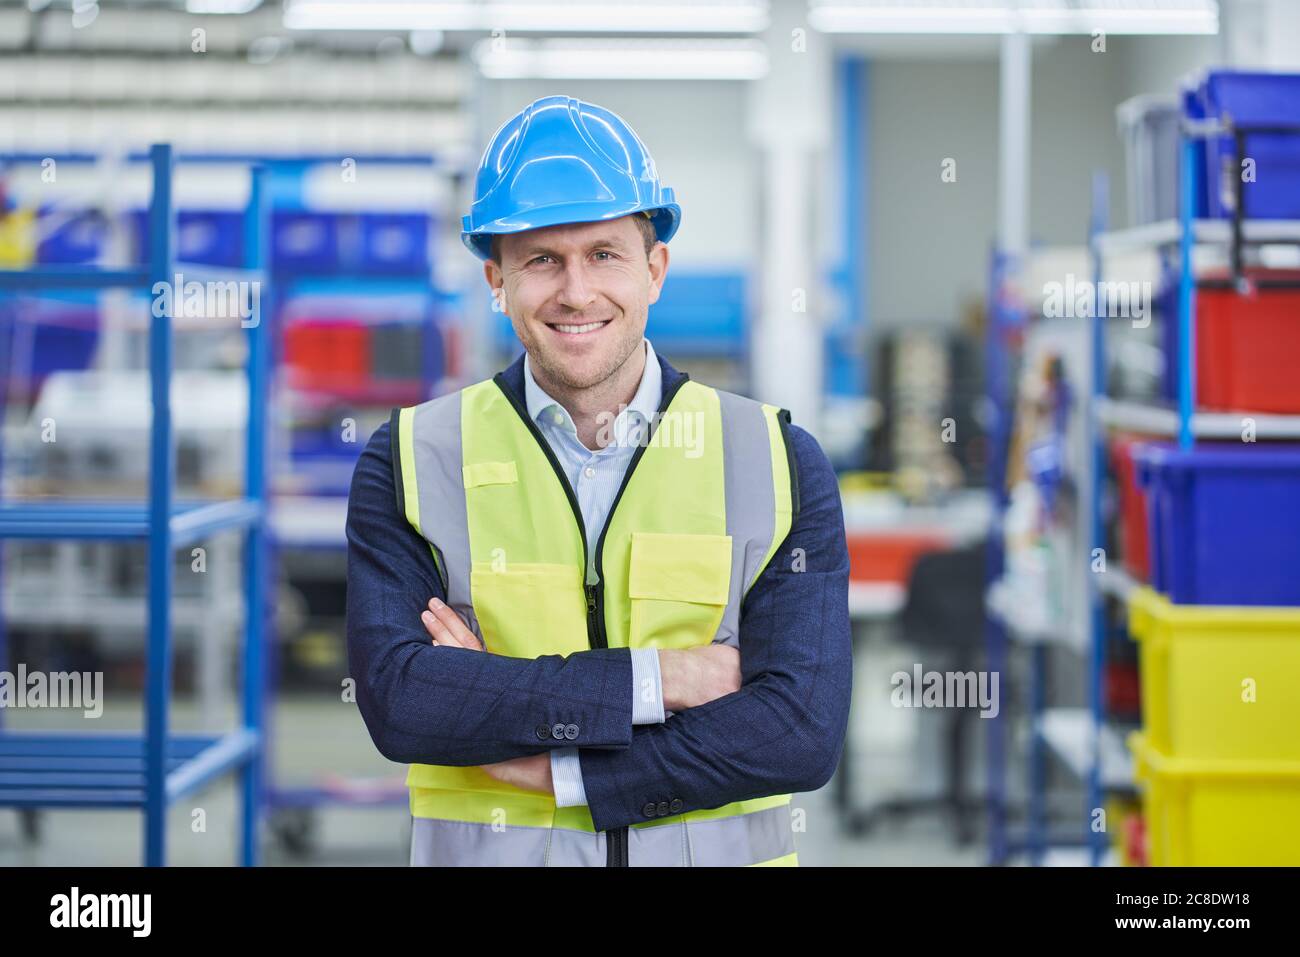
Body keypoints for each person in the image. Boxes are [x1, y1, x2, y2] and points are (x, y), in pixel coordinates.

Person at [346, 95, 851, 866]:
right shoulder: (414, 458)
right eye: (542, 259)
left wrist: (562, 771)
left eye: (605, 254)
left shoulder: (774, 458)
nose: (576, 292)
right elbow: (408, 705)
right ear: (497, 280)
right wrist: (668, 677)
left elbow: (796, 733)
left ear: (656, 270)